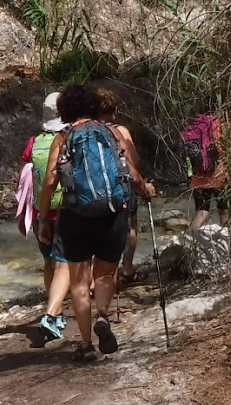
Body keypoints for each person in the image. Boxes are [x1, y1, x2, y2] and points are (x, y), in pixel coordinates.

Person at [35, 84, 156, 361]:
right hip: (112, 213)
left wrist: (43, 218)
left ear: (65, 111)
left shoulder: (64, 137)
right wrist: (144, 189)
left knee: (79, 282)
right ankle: (102, 314)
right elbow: (131, 171)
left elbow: (51, 180)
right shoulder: (111, 133)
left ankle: (87, 344)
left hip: (75, 216)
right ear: (93, 107)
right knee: (104, 275)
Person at [16, 92, 71, 339]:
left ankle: (56, 312)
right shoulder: (69, 138)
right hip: (68, 209)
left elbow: (26, 175)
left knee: (49, 262)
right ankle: (55, 312)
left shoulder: (34, 142)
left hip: (42, 210)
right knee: (65, 262)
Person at [97, 87, 142, 287]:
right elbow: (133, 159)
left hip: (98, 190)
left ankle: (99, 276)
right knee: (131, 226)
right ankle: (127, 268)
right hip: (121, 188)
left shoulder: (86, 131)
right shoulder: (120, 131)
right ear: (115, 110)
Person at [183, 109, 229, 229]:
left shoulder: (194, 124)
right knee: (224, 210)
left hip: (198, 175)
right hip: (217, 175)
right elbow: (222, 150)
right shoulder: (217, 124)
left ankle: (189, 238)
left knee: (202, 211)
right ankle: (227, 238)